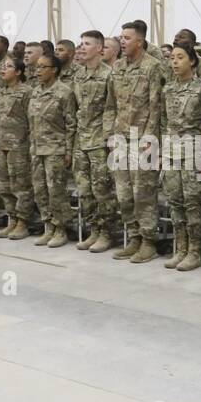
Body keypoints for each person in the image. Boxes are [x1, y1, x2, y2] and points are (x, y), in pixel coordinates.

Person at [103, 20, 165, 263]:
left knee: (143, 193)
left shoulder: (153, 67)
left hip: (142, 140)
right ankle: (134, 237)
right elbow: (110, 105)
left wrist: (150, 139)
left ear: (139, 41)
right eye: (121, 37)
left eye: (127, 38)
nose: (122, 42)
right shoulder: (117, 67)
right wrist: (109, 134)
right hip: (120, 139)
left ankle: (148, 241)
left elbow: (156, 106)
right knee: (124, 193)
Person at [160, 44, 201, 271]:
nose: (174, 62)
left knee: (194, 203)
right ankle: (180, 248)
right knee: (175, 202)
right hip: (172, 152)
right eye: (172, 58)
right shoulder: (168, 90)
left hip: (194, 151)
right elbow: (164, 122)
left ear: (192, 61)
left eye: (180, 57)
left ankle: (195, 251)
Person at [73, 30, 118, 252]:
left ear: (100, 49)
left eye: (87, 44)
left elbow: (113, 109)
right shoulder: (78, 75)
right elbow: (76, 110)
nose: (81, 47)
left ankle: (107, 233)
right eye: (80, 43)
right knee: (84, 190)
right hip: (81, 140)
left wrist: (110, 138)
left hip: (100, 141)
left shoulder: (110, 75)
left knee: (102, 191)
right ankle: (94, 231)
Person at [27, 54, 78, 247]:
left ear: (54, 70)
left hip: (55, 148)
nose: (38, 71)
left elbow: (71, 124)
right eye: (36, 67)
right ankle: (48, 225)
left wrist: (68, 151)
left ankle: (61, 228)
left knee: (56, 190)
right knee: (40, 189)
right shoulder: (35, 92)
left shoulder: (64, 92)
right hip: (37, 147)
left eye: (43, 67)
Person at [0, 56, 33, 240]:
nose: (3, 69)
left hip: (20, 146)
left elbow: (31, 121)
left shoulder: (26, 92)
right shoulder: (0, 93)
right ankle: (12, 219)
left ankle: (23, 222)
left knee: (21, 186)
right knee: (4, 186)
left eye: (8, 66)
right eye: (2, 66)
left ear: (18, 72)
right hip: (2, 145)